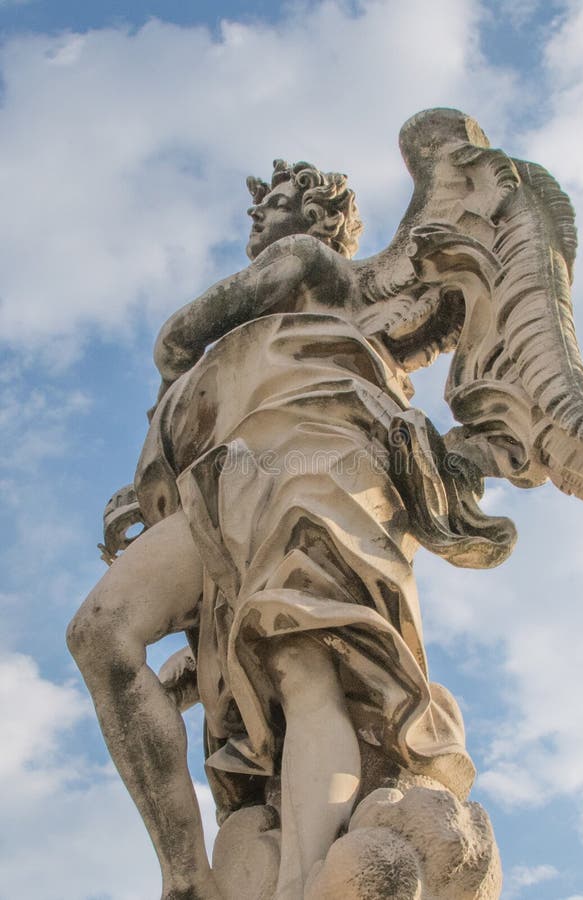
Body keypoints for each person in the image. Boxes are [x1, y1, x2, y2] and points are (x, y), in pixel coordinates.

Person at [67, 158, 512, 900]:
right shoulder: (276, 335)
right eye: (259, 210)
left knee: (308, 665)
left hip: (315, 456)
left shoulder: (305, 262)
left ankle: (305, 880)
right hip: (227, 475)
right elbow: (197, 386)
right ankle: (187, 878)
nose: (261, 220)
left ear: (322, 219)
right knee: (102, 635)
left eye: (275, 203)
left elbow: (176, 340)